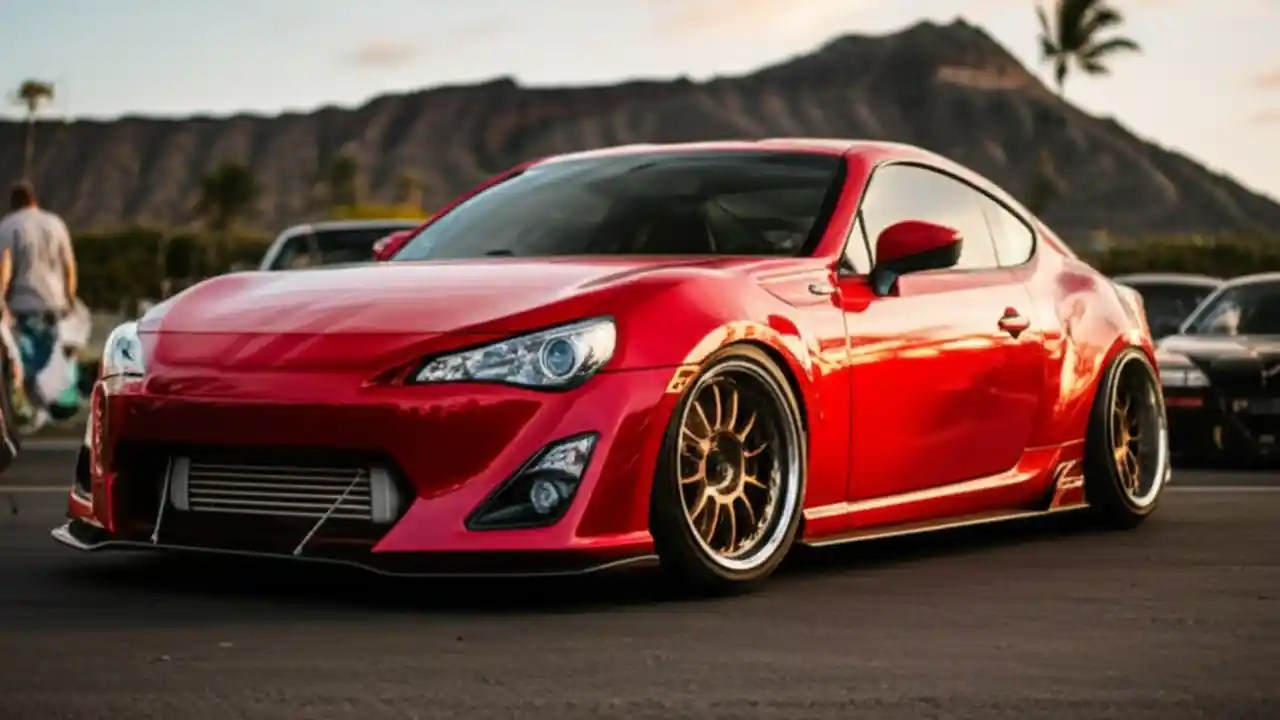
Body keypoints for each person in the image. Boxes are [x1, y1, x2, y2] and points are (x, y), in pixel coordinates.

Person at [0, 180, 80, 432]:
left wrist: (2, 299)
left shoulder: (8, 225)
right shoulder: (55, 224)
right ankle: (52, 411)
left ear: (14, 202)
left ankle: (36, 413)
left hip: (24, 304)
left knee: (26, 361)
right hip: (54, 303)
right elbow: (69, 264)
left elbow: (5, 265)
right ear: (34, 199)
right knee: (51, 358)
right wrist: (70, 298)